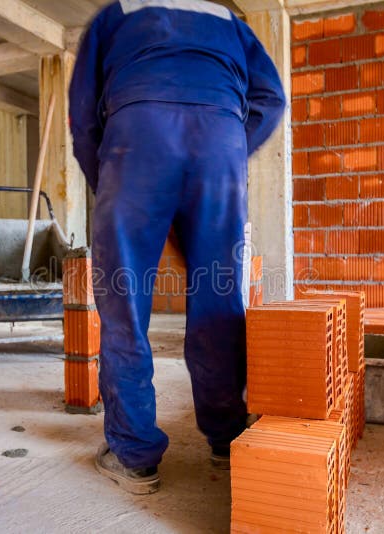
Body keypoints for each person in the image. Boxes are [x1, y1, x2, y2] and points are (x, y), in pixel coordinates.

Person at [69, 0, 285, 495]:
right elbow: (270, 98)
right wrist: (228, 145)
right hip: (220, 138)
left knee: (124, 302)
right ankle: (227, 439)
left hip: (137, 137)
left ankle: (135, 455)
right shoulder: (229, 19)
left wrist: (110, 186)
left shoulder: (116, 13)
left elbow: (83, 116)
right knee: (219, 297)